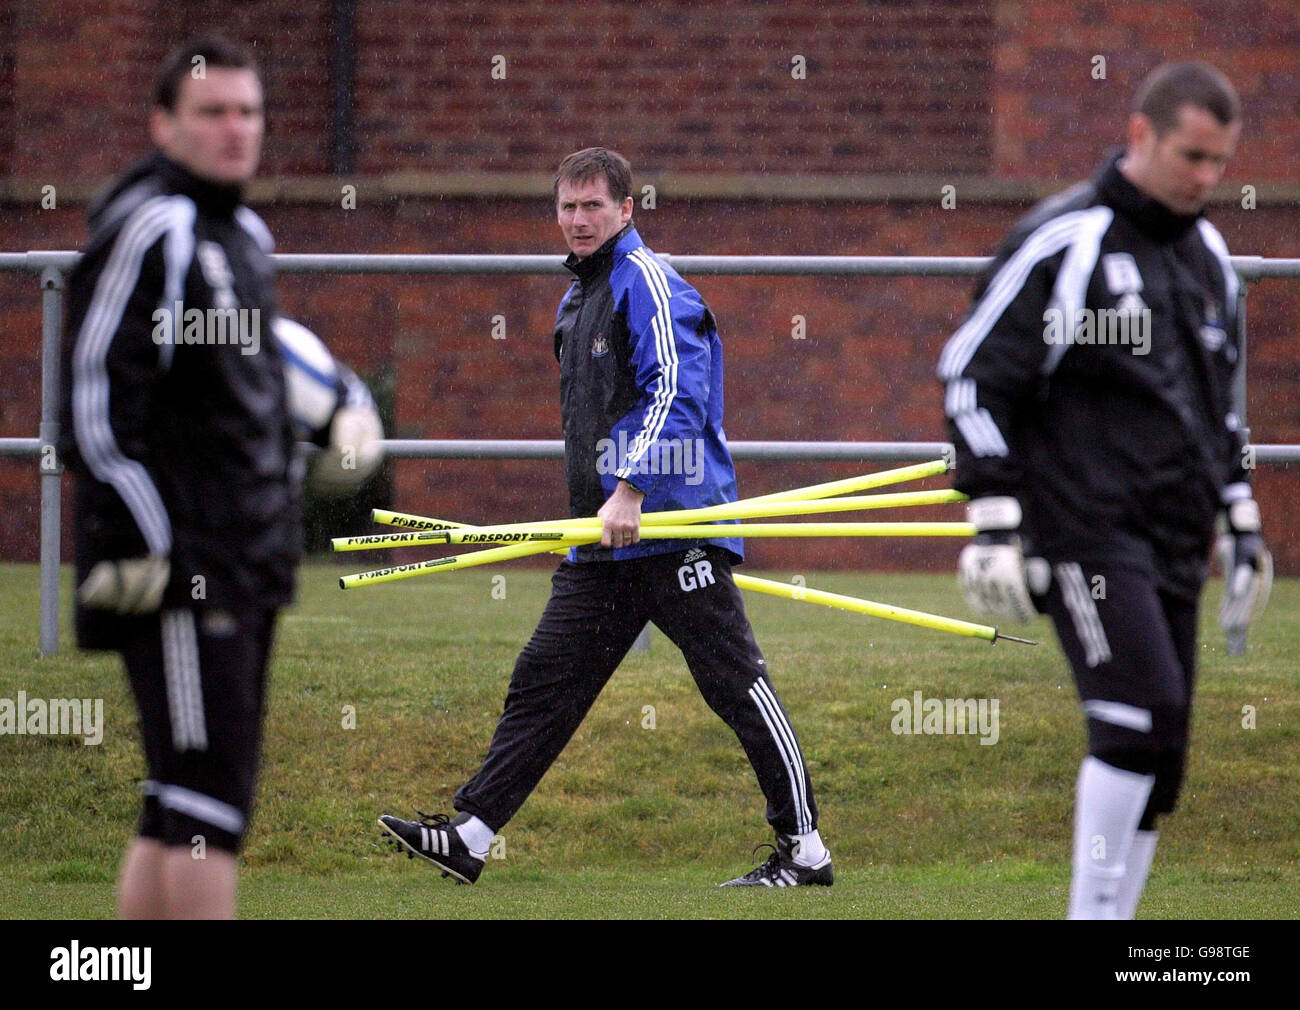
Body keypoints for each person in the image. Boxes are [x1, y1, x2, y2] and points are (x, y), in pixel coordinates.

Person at [380, 147, 831, 887]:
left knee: (737, 687)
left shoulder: (648, 283)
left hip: (670, 525)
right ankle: (469, 836)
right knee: (544, 680)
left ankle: (805, 852)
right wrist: (606, 505)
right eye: (568, 207)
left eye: (594, 206)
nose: (579, 220)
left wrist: (632, 488)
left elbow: (676, 392)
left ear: (627, 210)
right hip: (605, 541)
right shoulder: (576, 299)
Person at [937, 62, 1271, 919]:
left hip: (1175, 533)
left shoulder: (1208, 256)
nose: (1205, 178)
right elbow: (973, 377)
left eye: (1220, 163)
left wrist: (1241, 519)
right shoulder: (1067, 239)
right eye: (1191, 156)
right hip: (1082, 527)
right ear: (1140, 137)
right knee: (1137, 716)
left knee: (1166, 753)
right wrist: (995, 520)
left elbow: (1217, 407)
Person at [60, 35, 379, 918]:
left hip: (246, 555)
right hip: (182, 564)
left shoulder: (240, 233)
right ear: (165, 124)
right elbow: (94, 399)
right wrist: (152, 544)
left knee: (182, 793)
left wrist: (334, 409)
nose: (236, 129)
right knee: (207, 795)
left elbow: (251, 377)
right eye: (213, 112)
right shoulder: (151, 227)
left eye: (249, 112)